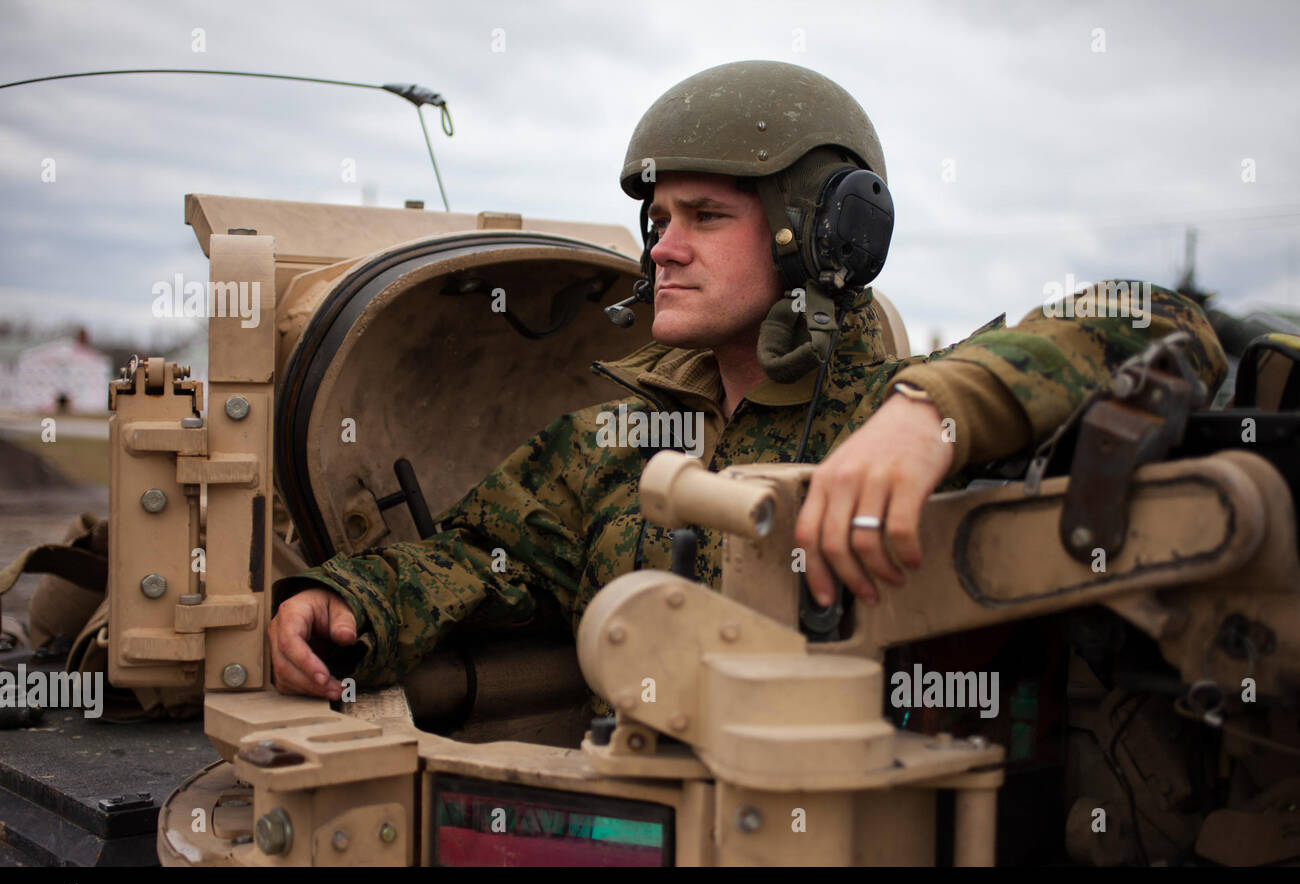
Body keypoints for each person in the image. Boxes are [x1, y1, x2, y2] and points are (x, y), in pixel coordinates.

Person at [267, 60, 1226, 703]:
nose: (663, 250)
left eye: (705, 217)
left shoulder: (908, 406)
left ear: (822, 235)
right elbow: (483, 560)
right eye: (659, 219)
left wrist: (932, 417)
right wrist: (352, 601)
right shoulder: (612, 444)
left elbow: (1159, 322)